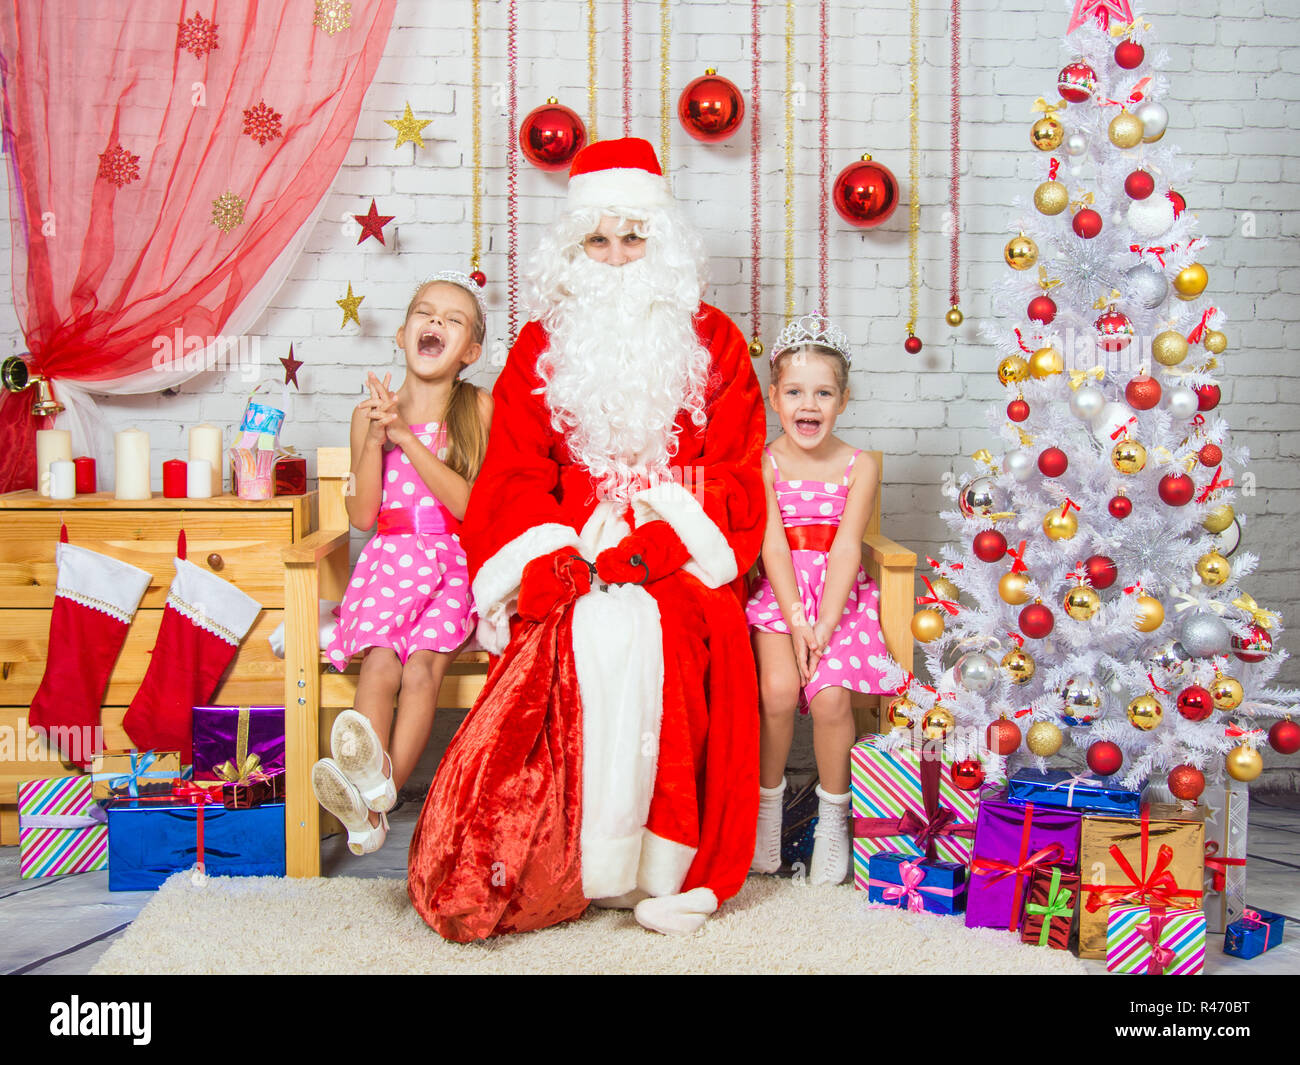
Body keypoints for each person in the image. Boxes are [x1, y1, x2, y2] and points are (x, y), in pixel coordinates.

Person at [408, 138, 767, 940]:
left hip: (674, 541)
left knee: (667, 630)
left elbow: (739, 473)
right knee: (577, 627)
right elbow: (509, 475)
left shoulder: (715, 341)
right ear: (571, 248)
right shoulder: (541, 344)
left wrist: (657, 543)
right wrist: (557, 553)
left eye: (633, 237)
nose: (614, 257)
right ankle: (570, 854)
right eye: (596, 240)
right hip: (567, 537)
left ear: (662, 242)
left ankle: (655, 861)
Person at [313, 272, 493, 855]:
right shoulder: (369, 415)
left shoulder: (477, 409)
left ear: (469, 351)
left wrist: (407, 439)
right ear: (401, 333)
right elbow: (363, 515)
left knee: (422, 671)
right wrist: (373, 439)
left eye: (453, 318)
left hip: (450, 566)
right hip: (388, 563)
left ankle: (379, 791)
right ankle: (367, 814)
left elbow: (470, 507)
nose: (435, 322)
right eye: (425, 312)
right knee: (381, 666)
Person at [746, 314, 892, 886]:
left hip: (839, 598)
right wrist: (798, 621)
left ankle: (834, 818)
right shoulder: (763, 462)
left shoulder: (861, 464)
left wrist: (826, 624)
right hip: (782, 601)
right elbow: (775, 550)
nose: (810, 405)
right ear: (775, 398)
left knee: (831, 699)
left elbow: (848, 547)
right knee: (779, 691)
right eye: (796, 392)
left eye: (824, 393)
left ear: (843, 400)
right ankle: (766, 812)